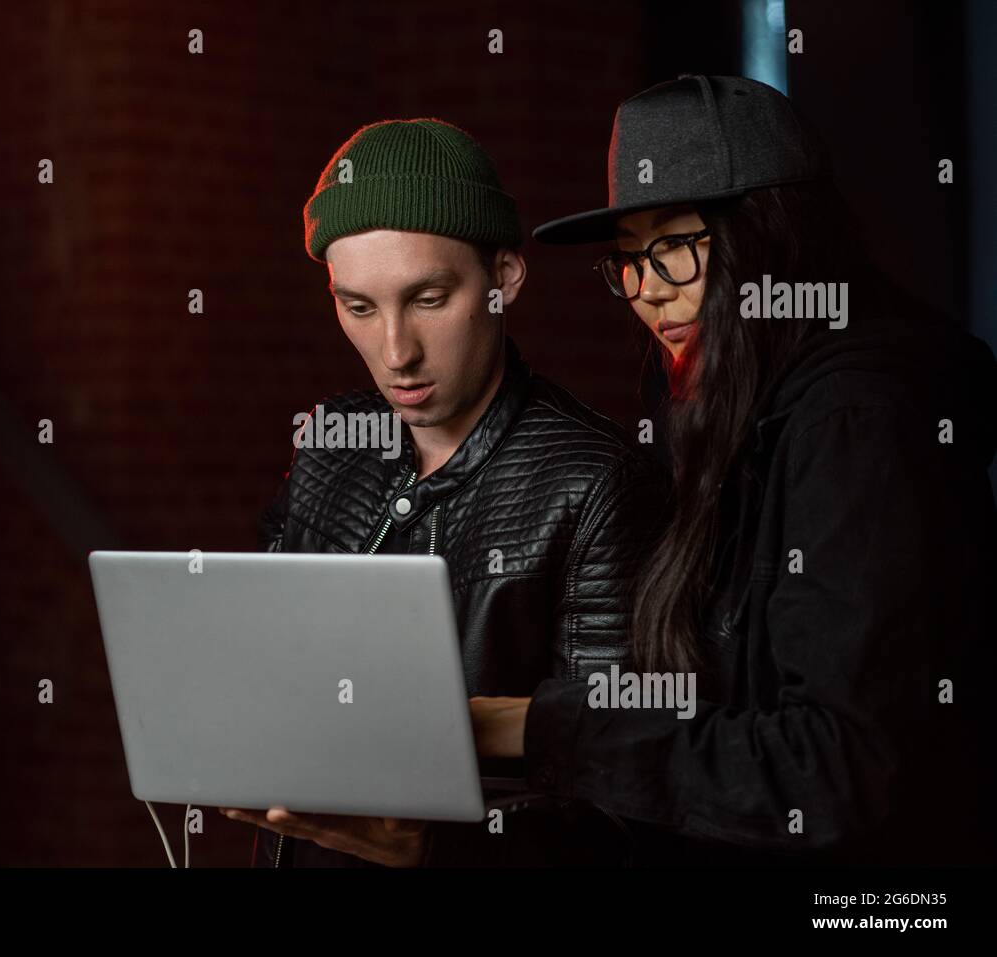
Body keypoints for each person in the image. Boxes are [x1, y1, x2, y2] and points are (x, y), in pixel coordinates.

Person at [470, 75, 997, 864]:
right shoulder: (735, 417)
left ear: (775, 239)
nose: (648, 294)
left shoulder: (858, 426)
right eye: (627, 262)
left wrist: (529, 723)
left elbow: (835, 775)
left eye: (674, 247)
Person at [223, 117, 669, 866]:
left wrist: (437, 843)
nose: (395, 351)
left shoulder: (597, 481)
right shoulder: (331, 438)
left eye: (428, 299)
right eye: (358, 307)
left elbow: (627, 801)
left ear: (505, 279)